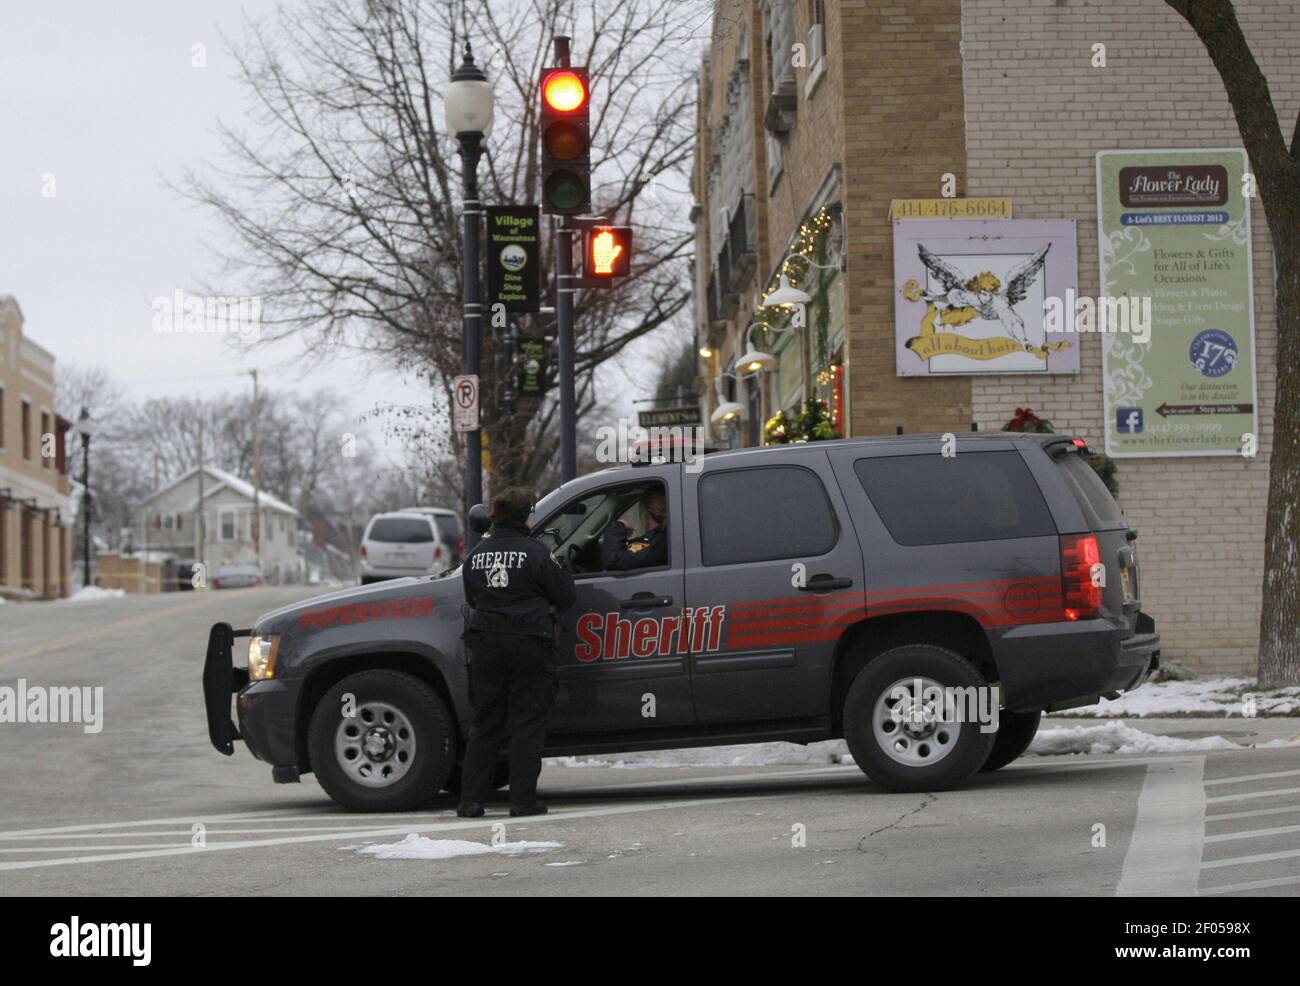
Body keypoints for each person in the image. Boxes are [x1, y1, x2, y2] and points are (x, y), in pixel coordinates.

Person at [458, 486, 576, 818]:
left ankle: (471, 802)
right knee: (526, 722)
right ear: (525, 516)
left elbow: (471, 597)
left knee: (486, 722)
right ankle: (522, 802)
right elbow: (566, 595)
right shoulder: (537, 553)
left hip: (486, 645)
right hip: (528, 644)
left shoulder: (476, 556)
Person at [600, 487, 668, 571]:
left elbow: (614, 561)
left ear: (647, 508)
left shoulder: (660, 542)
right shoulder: (661, 538)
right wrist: (620, 536)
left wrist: (619, 526)